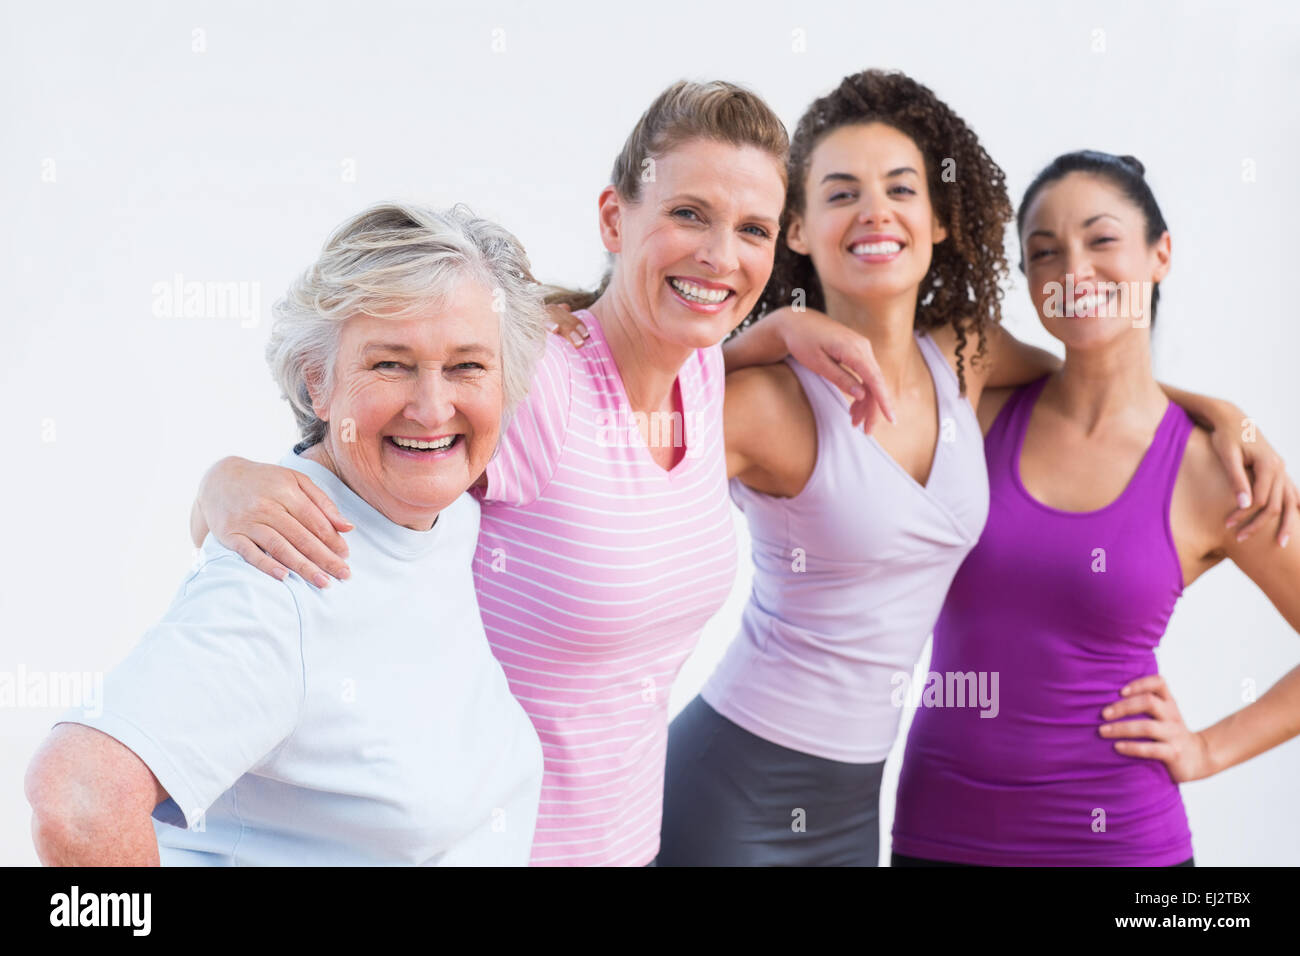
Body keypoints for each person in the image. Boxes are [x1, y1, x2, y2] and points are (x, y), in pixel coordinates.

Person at [644, 71, 1298, 866]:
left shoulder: (974, 367)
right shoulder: (838, 394)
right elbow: (625, 427)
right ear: (798, 230)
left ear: (939, 219)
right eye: (842, 192)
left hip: (964, 820)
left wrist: (1225, 414)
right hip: (813, 799)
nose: (876, 212)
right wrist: (772, 331)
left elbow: (1094, 373)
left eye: (900, 189)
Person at [24, 202, 548, 866]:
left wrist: (216, 483)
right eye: (390, 364)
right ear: (316, 382)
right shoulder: (284, 579)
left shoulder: (445, 511)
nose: (432, 407)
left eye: (467, 366)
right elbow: (78, 797)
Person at [890, 151, 1300, 866]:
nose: (1073, 270)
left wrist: (1206, 748)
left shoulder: (1213, 468)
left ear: (1160, 254)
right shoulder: (974, 412)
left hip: (1118, 845)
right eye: (1044, 253)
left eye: (1101, 239)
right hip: (940, 827)